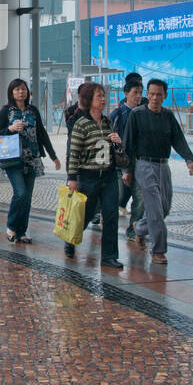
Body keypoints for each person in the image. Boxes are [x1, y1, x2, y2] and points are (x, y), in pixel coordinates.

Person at [124, 78, 193, 266]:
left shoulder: (168, 116)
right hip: (143, 166)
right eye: (152, 94)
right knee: (155, 208)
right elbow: (128, 145)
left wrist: (189, 160)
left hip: (163, 166)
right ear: (147, 95)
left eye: (159, 94)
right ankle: (158, 250)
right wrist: (127, 170)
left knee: (164, 208)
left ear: (165, 96)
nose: (155, 98)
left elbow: (178, 139)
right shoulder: (137, 115)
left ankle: (140, 228)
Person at [65, 82, 124, 267]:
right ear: (89, 100)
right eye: (99, 96)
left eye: (103, 96)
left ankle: (109, 256)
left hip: (108, 175)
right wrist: (72, 178)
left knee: (110, 214)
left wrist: (117, 142)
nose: (103, 100)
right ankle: (71, 239)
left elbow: (116, 149)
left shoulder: (108, 122)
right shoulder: (80, 124)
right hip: (88, 177)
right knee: (86, 214)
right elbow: (74, 152)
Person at [0, 78, 60, 243]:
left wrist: (53, 156)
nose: (20, 92)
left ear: (28, 91)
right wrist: (10, 129)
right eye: (16, 89)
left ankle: (22, 232)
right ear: (11, 92)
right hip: (12, 159)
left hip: (32, 158)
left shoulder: (33, 110)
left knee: (27, 197)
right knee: (20, 193)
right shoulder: (6, 111)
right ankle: (11, 226)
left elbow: (42, 133)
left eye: (23, 89)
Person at [111, 79, 145, 238]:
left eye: (140, 93)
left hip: (139, 165)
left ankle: (133, 230)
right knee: (116, 198)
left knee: (140, 198)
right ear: (126, 94)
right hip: (121, 165)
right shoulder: (118, 114)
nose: (138, 96)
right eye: (135, 93)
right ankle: (104, 218)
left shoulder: (145, 112)